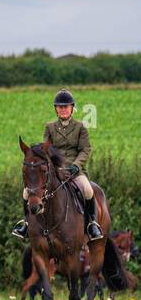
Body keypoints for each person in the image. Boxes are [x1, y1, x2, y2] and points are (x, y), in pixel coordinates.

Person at [14, 89, 102, 241]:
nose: (63, 109)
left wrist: (76, 165)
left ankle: (92, 223)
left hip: (75, 170)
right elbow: (45, 150)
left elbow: (85, 149)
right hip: (55, 170)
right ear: (56, 109)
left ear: (72, 108)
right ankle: (26, 224)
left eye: (66, 106)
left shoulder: (80, 127)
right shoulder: (50, 127)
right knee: (27, 192)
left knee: (88, 189)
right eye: (60, 107)